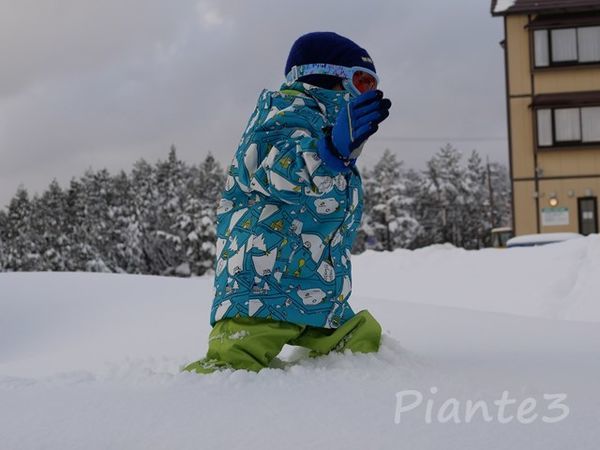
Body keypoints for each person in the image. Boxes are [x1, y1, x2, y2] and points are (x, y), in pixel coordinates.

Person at [184, 31, 392, 373]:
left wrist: (338, 154)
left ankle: (353, 383)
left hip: (317, 290)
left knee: (362, 342)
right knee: (235, 359)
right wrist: (328, 153)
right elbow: (278, 172)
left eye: (372, 85)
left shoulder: (329, 134)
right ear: (325, 79)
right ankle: (199, 400)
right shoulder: (280, 116)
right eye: (360, 82)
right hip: (260, 287)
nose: (365, 94)